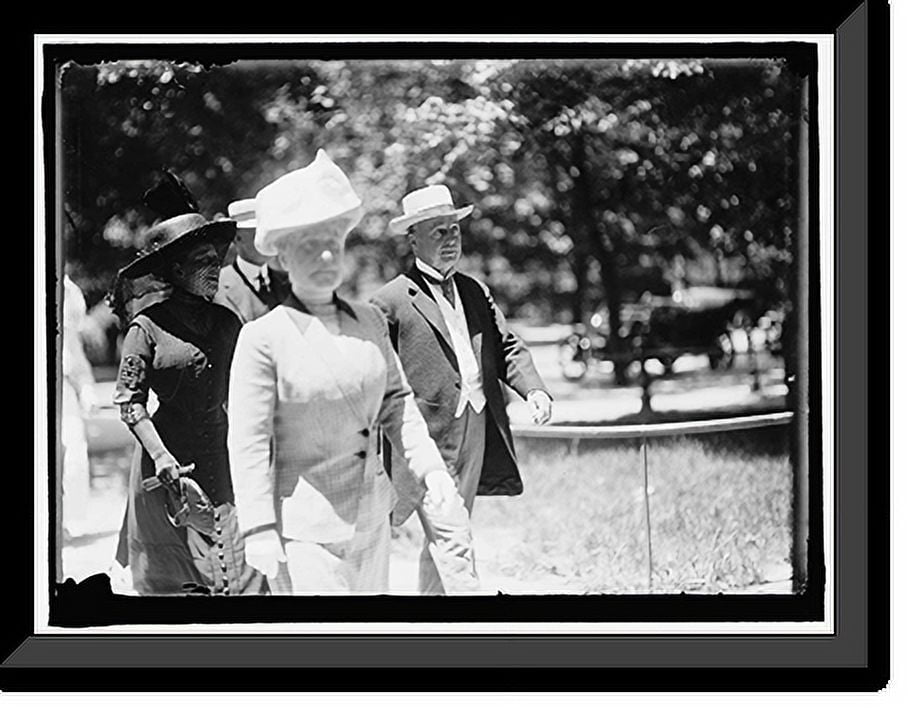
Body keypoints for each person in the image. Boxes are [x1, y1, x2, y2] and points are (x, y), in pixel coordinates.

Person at [227, 150, 465, 594]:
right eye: (308, 245)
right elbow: (248, 442)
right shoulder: (263, 338)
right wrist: (257, 527)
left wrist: (431, 470)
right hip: (301, 531)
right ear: (282, 257)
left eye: (333, 243)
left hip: (371, 517)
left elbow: (399, 406)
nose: (324, 256)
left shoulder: (370, 321)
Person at [371, 184, 554, 595]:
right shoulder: (390, 301)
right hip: (424, 435)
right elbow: (374, 372)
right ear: (413, 237)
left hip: (476, 424)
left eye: (454, 229)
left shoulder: (475, 290)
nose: (450, 239)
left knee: (451, 532)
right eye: (438, 232)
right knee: (452, 533)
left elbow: (507, 346)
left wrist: (534, 390)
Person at [108, 171, 267, 596]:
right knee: (175, 582)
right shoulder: (147, 328)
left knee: (241, 570)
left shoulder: (228, 323)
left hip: (223, 453)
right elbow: (129, 403)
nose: (215, 269)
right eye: (203, 262)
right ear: (176, 269)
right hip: (166, 465)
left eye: (217, 260)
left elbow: (254, 388)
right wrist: (161, 457)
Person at [61, 271, 98, 539]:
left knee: (73, 456)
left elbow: (73, 349)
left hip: (63, 386)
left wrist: (86, 387)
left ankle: (65, 521)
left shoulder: (70, 292)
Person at [214, 198, 291, 323]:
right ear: (236, 238)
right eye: (258, 233)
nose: (266, 239)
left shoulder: (287, 278)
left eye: (268, 232)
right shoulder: (217, 287)